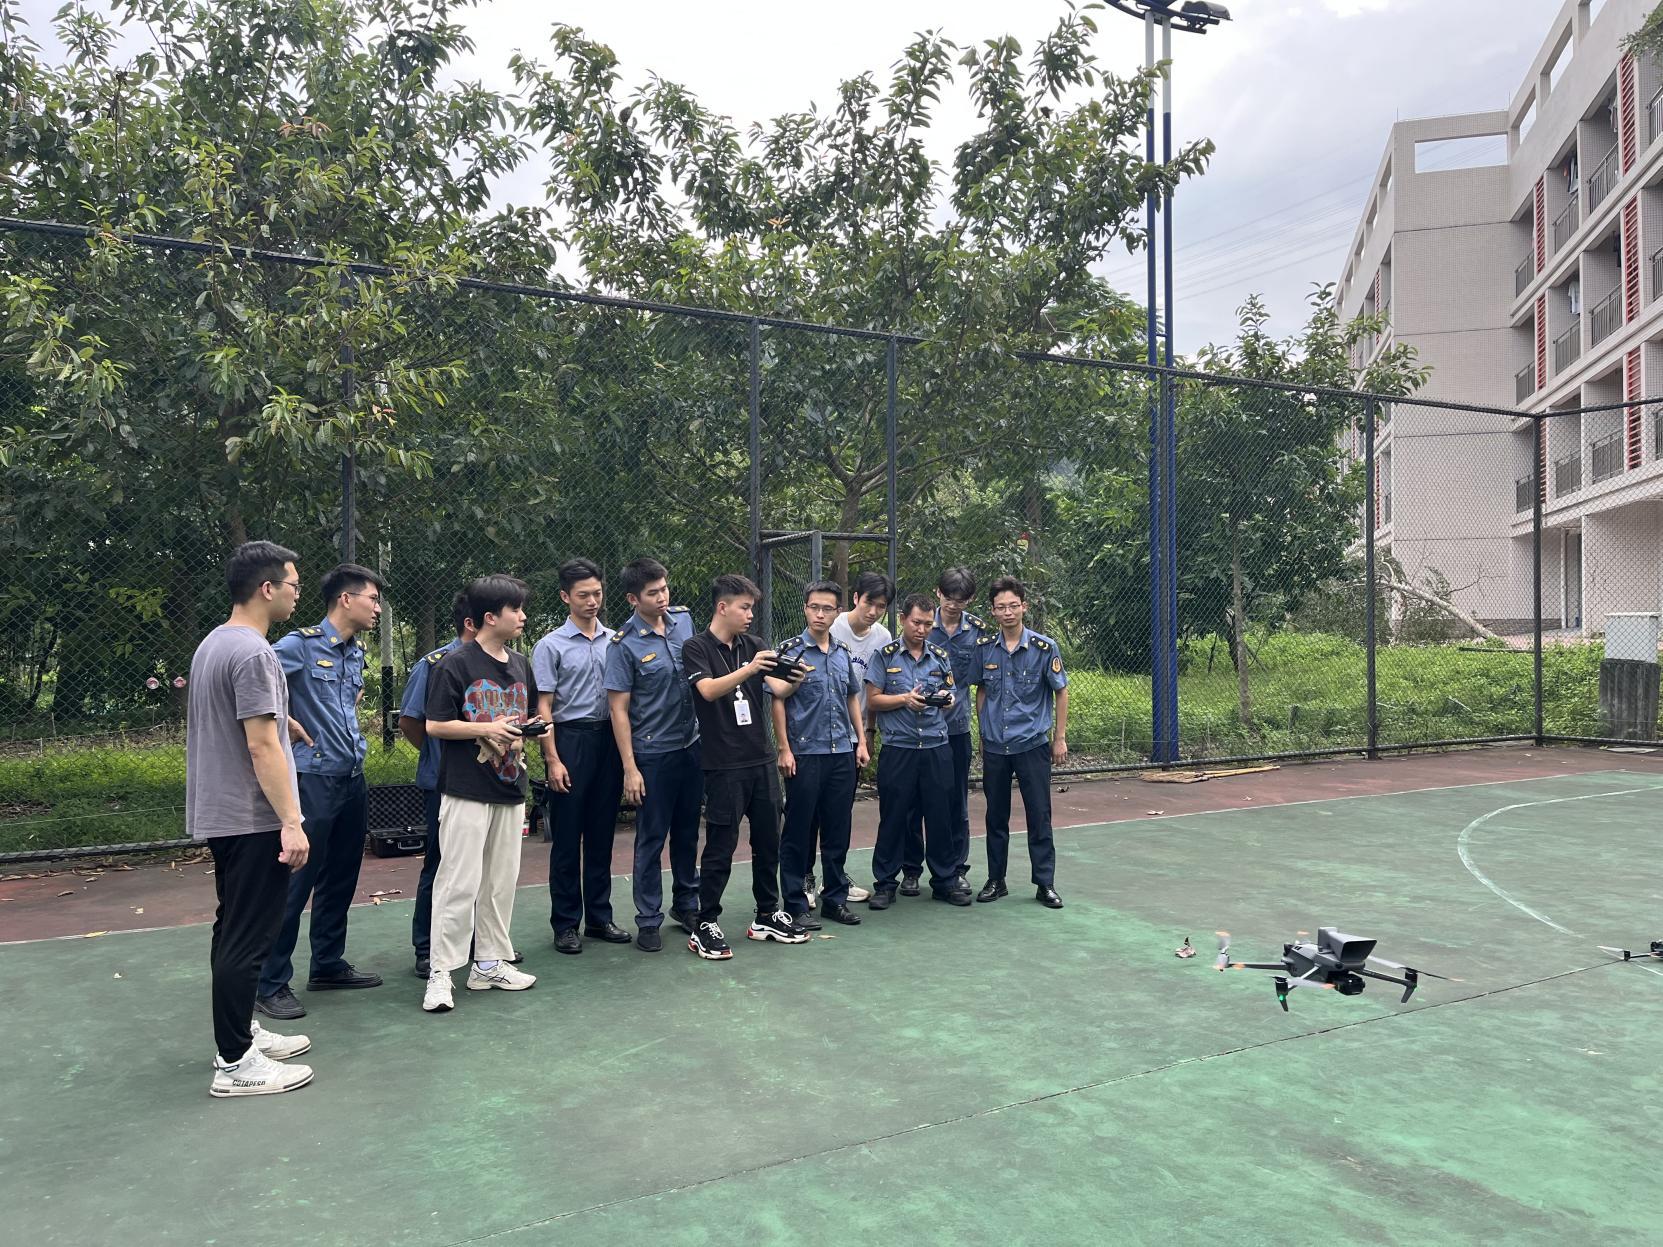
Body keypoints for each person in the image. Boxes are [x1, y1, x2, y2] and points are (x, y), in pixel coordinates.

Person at [187, 540, 314, 1098]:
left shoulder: (217, 643)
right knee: (248, 937)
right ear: (267, 588)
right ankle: (236, 1063)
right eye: (293, 584)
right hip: (253, 818)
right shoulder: (255, 653)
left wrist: (283, 723)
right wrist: (292, 821)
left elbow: (247, 723)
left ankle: (240, 1033)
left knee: (231, 928)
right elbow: (260, 746)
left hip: (224, 815)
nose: (297, 593)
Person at [255, 563, 385, 1021]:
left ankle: (328, 963)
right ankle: (270, 982)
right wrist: (282, 719)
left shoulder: (356, 653)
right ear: (345, 599)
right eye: (372, 599)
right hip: (312, 779)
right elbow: (251, 685)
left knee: (342, 874)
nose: (378, 608)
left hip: (351, 777)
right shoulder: (298, 646)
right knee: (297, 881)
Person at [421, 575, 539, 1012]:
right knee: (458, 882)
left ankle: (488, 964)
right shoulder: (455, 664)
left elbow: (521, 718)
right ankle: (440, 973)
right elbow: (435, 725)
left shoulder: (522, 664)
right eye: (515, 609)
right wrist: (485, 729)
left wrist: (526, 732)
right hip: (465, 790)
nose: (522, 616)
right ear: (490, 617)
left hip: (510, 787)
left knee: (499, 882)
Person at [680, 574, 808, 959]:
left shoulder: (755, 645)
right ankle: (705, 923)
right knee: (721, 846)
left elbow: (778, 689)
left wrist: (797, 679)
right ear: (723, 607)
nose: (751, 615)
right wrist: (751, 669)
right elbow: (707, 690)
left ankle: (767, 915)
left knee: (769, 842)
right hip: (723, 764)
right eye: (744, 607)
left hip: (761, 759)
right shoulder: (696, 647)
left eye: (752, 608)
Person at [532, 557, 631, 954]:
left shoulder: (616, 640)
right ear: (565, 597)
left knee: (603, 833)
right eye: (583, 595)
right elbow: (544, 706)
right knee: (567, 837)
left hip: (609, 738)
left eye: (597, 594)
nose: (592, 602)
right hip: (570, 739)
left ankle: (600, 918)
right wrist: (553, 759)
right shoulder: (549, 645)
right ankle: (566, 924)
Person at [603, 557, 703, 951]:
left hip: (690, 745)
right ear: (633, 599)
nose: (662, 597)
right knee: (651, 837)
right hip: (653, 753)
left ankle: (687, 904)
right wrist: (630, 767)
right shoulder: (623, 644)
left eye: (664, 588)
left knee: (688, 832)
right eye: (652, 593)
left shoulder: (684, 622)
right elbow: (619, 710)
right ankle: (648, 919)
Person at [771, 580, 868, 929]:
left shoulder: (842, 652)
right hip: (805, 754)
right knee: (798, 831)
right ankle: (795, 903)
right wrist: (784, 748)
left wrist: (861, 741)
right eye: (814, 607)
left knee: (837, 830)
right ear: (805, 609)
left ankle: (835, 900)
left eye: (827, 608)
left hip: (841, 752)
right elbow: (778, 699)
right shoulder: (790, 651)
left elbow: (851, 696)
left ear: (837, 612)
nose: (820, 614)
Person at [865, 593, 970, 908]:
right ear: (902, 619)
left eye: (927, 624)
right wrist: (904, 700)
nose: (922, 629)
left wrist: (947, 700)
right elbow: (873, 700)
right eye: (916, 623)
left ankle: (945, 881)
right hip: (899, 747)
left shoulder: (939, 656)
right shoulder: (885, 656)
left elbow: (950, 691)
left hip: (936, 746)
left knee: (940, 816)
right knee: (894, 817)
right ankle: (885, 884)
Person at [972, 577, 1069, 909]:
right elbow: (981, 690)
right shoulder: (985, 648)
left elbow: (1061, 691)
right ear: (993, 611)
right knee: (995, 817)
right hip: (996, 747)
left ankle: (1045, 883)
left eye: (1013, 605)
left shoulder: (1044, 648)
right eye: (1001, 607)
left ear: (1024, 606)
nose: (1008, 612)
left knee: (1039, 815)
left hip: (1031, 745)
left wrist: (1059, 738)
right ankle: (995, 880)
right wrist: (983, 733)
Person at [399, 591, 475, 978]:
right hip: (443, 783)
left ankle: (479, 943)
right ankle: (428, 947)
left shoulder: (500, 663)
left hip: (487, 782)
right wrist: (437, 758)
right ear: (474, 621)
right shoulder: (433, 665)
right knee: (441, 862)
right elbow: (410, 721)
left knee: (480, 865)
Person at [904, 566, 989, 893]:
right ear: (938, 593)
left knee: (956, 801)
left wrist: (983, 731)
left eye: (961, 600)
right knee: (913, 801)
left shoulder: (977, 632)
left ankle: (955, 868)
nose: (953, 605)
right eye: (949, 597)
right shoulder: (922, 624)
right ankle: (911, 869)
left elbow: (981, 684)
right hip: (918, 729)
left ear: (971, 599)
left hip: (955, 729)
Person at [816, 570, 895, 905]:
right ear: (855, 599)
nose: (873, 611)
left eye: (881, 606)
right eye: (868, 603)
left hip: (855, 737)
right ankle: (805, 879)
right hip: (819, 737)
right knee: (811, 812)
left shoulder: (883, 637)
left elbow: (874, 688)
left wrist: (868, 733)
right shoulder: (832, 627)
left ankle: (835, 878)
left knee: (840, 812)